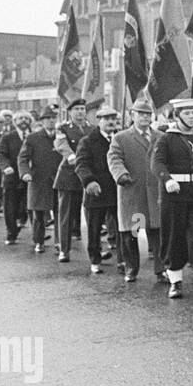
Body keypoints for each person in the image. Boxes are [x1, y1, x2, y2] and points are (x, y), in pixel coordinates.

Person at [151, 99, 193, 300]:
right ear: (176, 116)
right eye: (186, 113)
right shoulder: (166, 139)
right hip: (174, 195)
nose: (191, 117)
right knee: (173, 237)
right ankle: (175, 282)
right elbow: (157, 163)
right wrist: (167, 179)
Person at [108, 101, 164, 283]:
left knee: (157, 232)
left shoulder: (161, 137)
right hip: (132, 191)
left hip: (156, 192)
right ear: (132, 116)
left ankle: (161, 269)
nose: (145, 117)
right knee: (131, 233)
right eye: (141, 114)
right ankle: (131, 268)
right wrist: (121, 174)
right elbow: (114, 158)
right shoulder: (121, 138)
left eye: (148, 114)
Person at [74, 105, 122, 275]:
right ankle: (95, 260)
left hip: (118, 191)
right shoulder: (87, 141)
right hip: (97, 192)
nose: (111, 122)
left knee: (124, 228)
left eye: (113, 119)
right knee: (94, 229)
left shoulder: (121, 139)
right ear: (99, 121)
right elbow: (81, 164)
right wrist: (89, 181)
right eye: (106, 119)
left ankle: (124, 260)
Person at [17, 107, 60, 252]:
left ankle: (60, 242)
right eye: (47, 118)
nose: (51, 121)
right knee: (38, 215)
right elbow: (23, 158)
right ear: (42, 121)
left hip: (59, 180)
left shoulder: (61, 137)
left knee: (61, 213)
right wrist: (25, 173)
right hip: (38, 180)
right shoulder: (33, 138)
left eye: (53, 118)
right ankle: (38, 241)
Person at [52, 99, 90, 262]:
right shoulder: (63, 128)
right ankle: (64, 249)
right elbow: (61, 144)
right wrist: (71, 156)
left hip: (88, 175)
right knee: (65, 215)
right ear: (70, 112)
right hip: (69, 174)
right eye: (77, 109)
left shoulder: (91, 128)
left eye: (82, 109)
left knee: (92, 213)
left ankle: (96, 248)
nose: (80, 112)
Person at [0, 111, 31, 245]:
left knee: (29, 206)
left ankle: (38, 234)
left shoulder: (34, 136)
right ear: (15, 121)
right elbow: (0, 154)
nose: (23, 121)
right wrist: (5, 167)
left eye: (26, 118)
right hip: (12, 177)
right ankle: (11, 233)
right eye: (20, 118)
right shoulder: (7, 137)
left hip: (30, 177)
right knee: (10, 206)